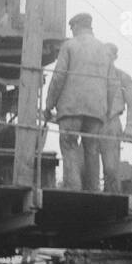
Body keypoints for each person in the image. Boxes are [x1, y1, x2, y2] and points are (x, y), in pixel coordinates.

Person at [43, 12, 113, 192]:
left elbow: (58, 77)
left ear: (76, 26)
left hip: (71, 109)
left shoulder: (69, 46)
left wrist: (49, 105)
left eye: (72, 27)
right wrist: (107, 110)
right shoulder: (104, 50)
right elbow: (112, 84)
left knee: (69, 146)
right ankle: (93, 191)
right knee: (92, 150)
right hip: (96, 111)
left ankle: (73, 189)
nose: (71, 31)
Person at [100, 43, 132, 195]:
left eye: (109, 55)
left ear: (115, 57)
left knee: (111, 167)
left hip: (112, 122)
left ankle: (112, 199)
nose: (105, 58)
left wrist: (129, 126)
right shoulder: (94, 76)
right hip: (93, 122)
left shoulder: (124, 77)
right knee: (87, 165)